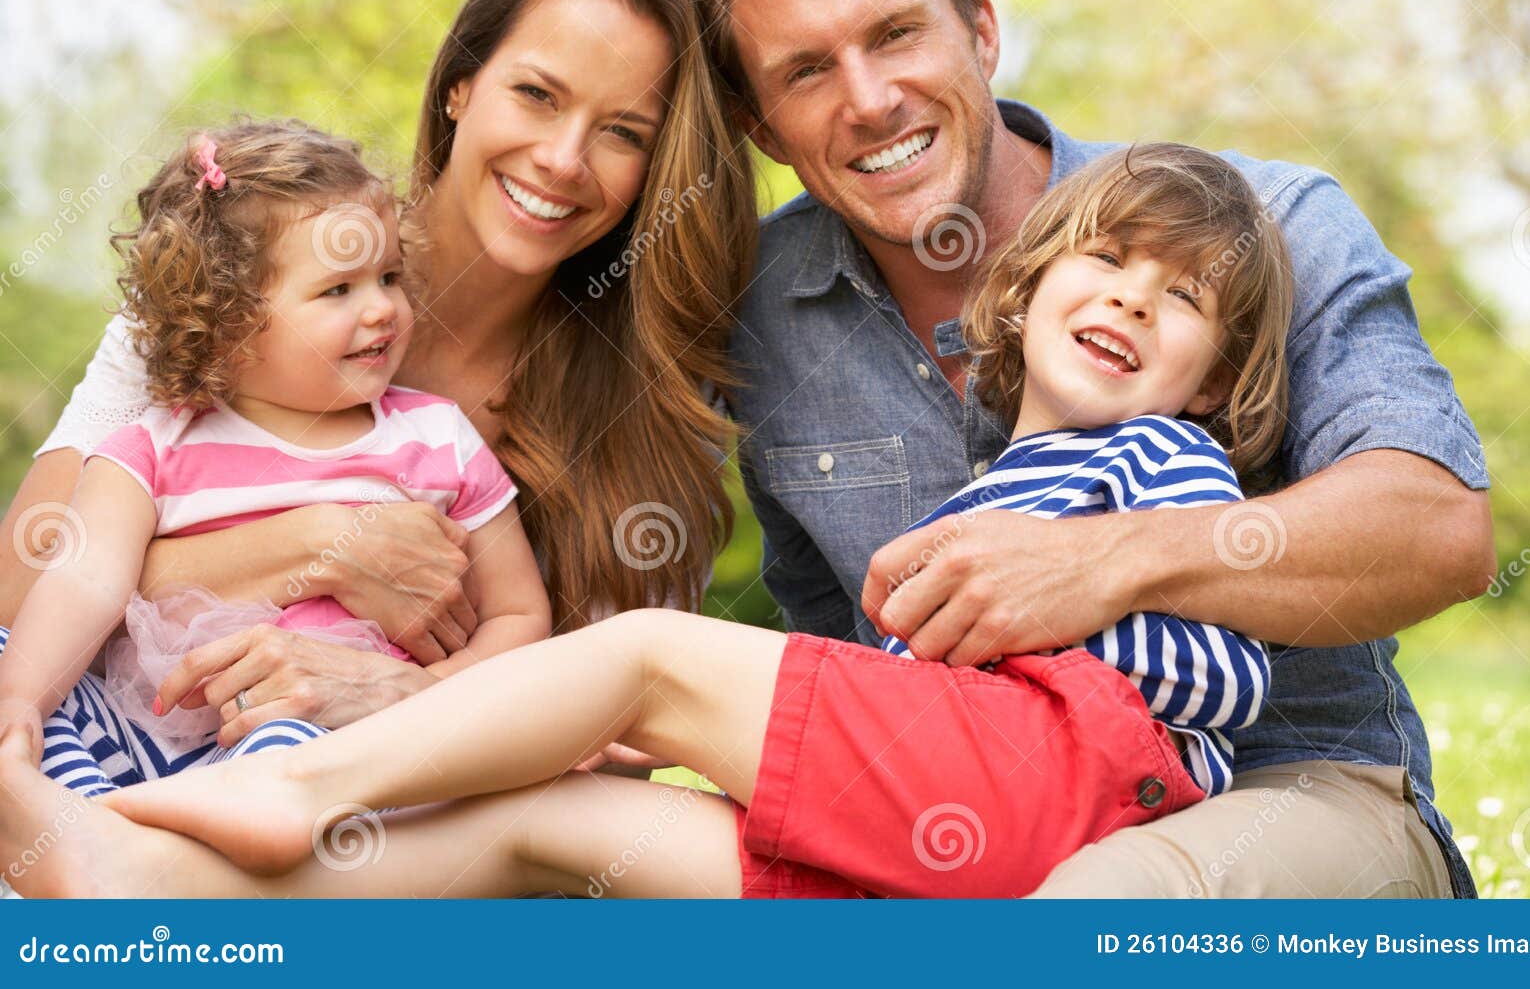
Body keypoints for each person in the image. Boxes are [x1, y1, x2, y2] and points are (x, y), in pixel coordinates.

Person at [0, 138, 1291, 899]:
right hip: (946, 844)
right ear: (1031, 286)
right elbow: (921, 717)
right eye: (1107, 264)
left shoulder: (1165, 460)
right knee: (542, 825)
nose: (1130, 302)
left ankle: (293, 787)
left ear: (1218, 377)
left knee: (637, 661)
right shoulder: (1015, 472)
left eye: (1178, 300)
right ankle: (147, 886)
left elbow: (1217, 673)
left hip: (1074, 786)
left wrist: (1099, 609)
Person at [704, 0, 1493, 897]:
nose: (867, 97)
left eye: (896, 34)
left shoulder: (1270, 223)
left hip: (1291, 795)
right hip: (972, 821)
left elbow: (1438, 528)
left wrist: (1104, 560)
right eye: (806, 71)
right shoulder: (758, 317)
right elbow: (840, 657)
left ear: (981, 33)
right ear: (764, 129)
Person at [0, 0, 756, 748]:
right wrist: (322, 543)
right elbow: (18, 596)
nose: (563, 159)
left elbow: (627, 746)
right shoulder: (232, 286)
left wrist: (401, 693)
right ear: (462, 82)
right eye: (537, 95)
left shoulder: (651, 397)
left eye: (623, 133)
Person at [0, 120, 548, 795]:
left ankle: (145, 864)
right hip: (145, 734)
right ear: (229, 325)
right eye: (338, 289)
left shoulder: (438, 438)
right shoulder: (152, 447)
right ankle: (85, 845)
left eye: (389, 276)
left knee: (287, 746)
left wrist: (420, 697)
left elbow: (520, 617)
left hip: (326, 745)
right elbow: (83, 581)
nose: (383, 308)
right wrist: (21, 696)